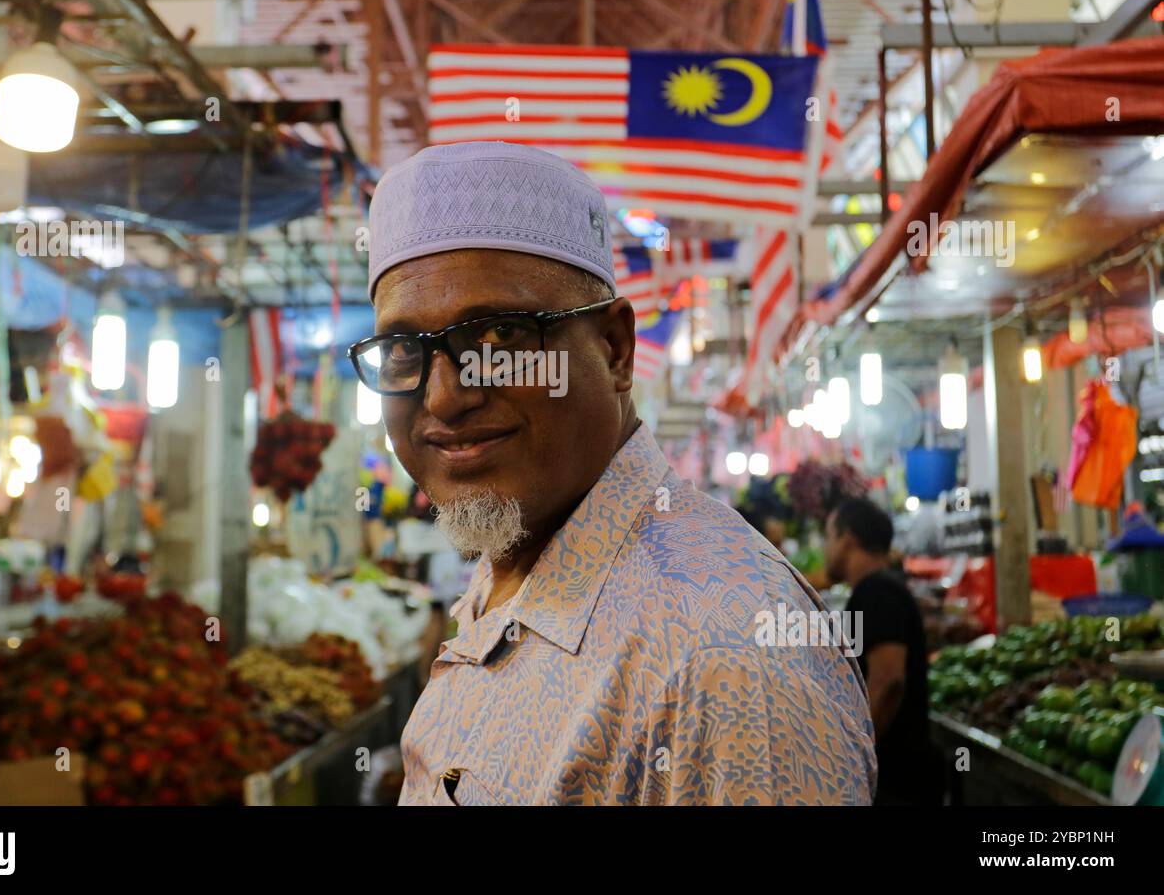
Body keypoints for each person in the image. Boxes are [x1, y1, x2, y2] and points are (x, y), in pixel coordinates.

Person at [351, 141, 875, 805]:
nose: (445, 396)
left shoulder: (726, 662)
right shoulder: (513, 565)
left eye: (501, 338)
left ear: (615, 350)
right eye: (403, 349)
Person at [824, 497, 940, 805]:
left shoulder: (877, 593)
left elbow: (889, 679)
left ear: (847, 540)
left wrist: (854, 754)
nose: (825, 549)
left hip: (898, 782)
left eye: (828, 537)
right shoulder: (880, 589)